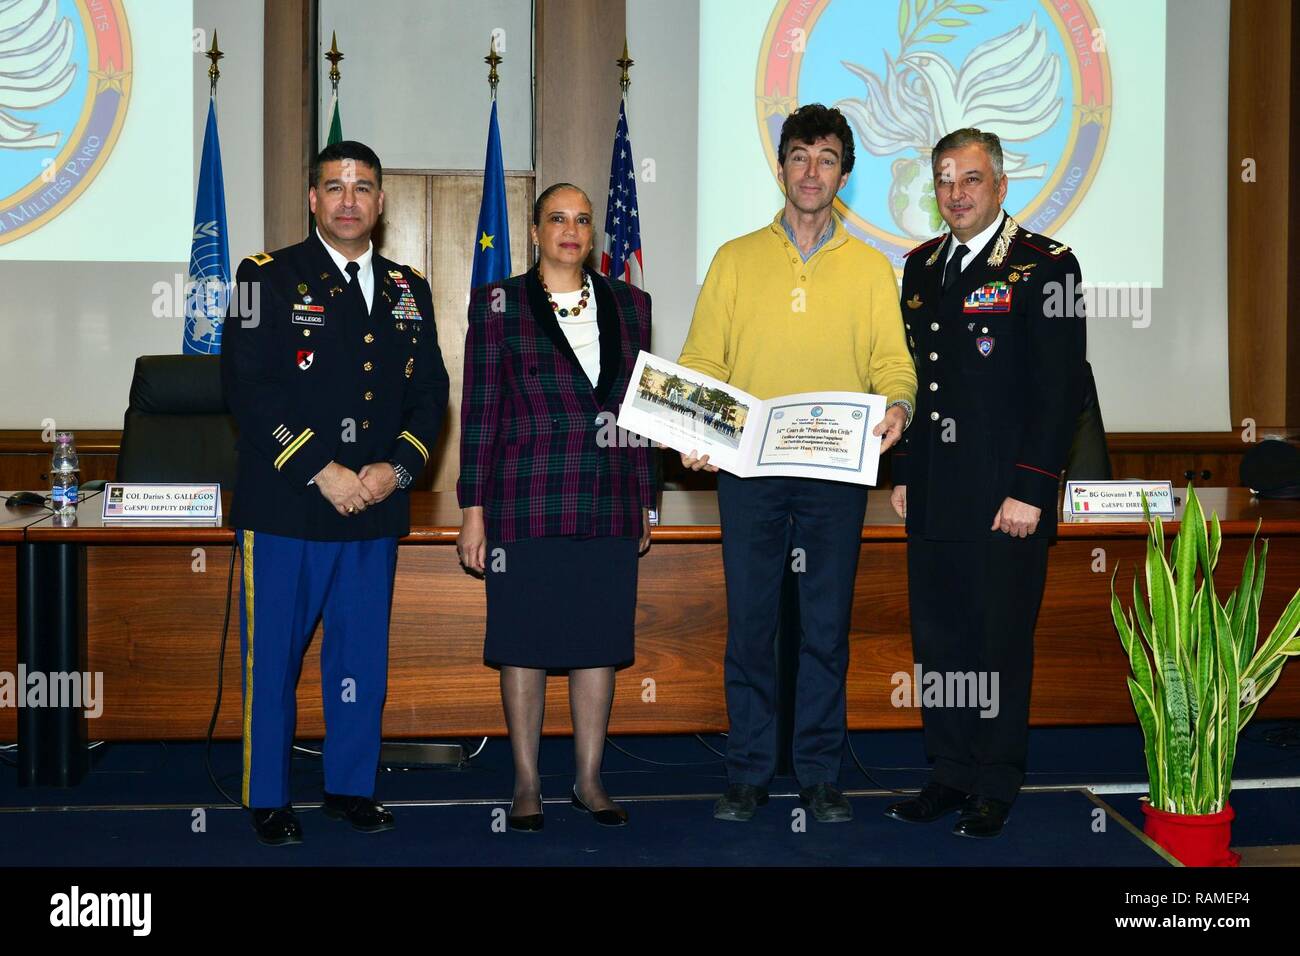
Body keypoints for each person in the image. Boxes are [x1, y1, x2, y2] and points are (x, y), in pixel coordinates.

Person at [678, 104, 917, 823]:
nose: (813, 171)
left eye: (828, 158)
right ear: (779, 166)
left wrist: (898, 407)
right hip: (747, 476)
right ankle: (748, 771)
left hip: (835, 476)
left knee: (825, 627)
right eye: (800, 156)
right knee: (750, 625)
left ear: (845, 173)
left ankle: (818, 772)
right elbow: (700, 361)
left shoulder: (874, 268)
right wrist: (691, 425)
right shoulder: (733, 258)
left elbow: (893, 366)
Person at [221, 140, 449, 846]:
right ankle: (268, 798)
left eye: (363, 188)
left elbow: (431, 393)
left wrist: (396, 471)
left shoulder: (410, 286)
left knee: (360, 660)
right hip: (290, 505)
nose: (349, 199)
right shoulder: (265, 277)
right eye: (335, 187)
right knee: (275, 662)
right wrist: (324, 469)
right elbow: (246, 388)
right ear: (313, 200)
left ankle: (350, 787)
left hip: (374, 509)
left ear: (381, 203)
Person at [886, 128, 1087, 838]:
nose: (956, 194)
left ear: (1001, 186)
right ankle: (949, 769)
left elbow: (1060, 391)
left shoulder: (1044, 266)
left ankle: (996, 781)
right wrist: (905, 470)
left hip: (1008, 498)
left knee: (997, 642)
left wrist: (1032, 488)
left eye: (970, 180)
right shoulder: (919, 266)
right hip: (937, 492)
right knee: (939, 641)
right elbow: (917, 380)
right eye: (944, 180)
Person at [457, 183, 653, 831]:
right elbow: (481, 410)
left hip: (608, 495)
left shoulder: (631, 303)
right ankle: (527, 782)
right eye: (557, 219)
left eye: (583, 220)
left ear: (593, 234)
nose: (571, 230)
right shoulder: (498, 304)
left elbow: (640, 408)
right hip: (526, 496)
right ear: (535, 231)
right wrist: (473, 509)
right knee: (525, 643)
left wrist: (646, 499)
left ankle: (590, 779)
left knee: (599, 640)